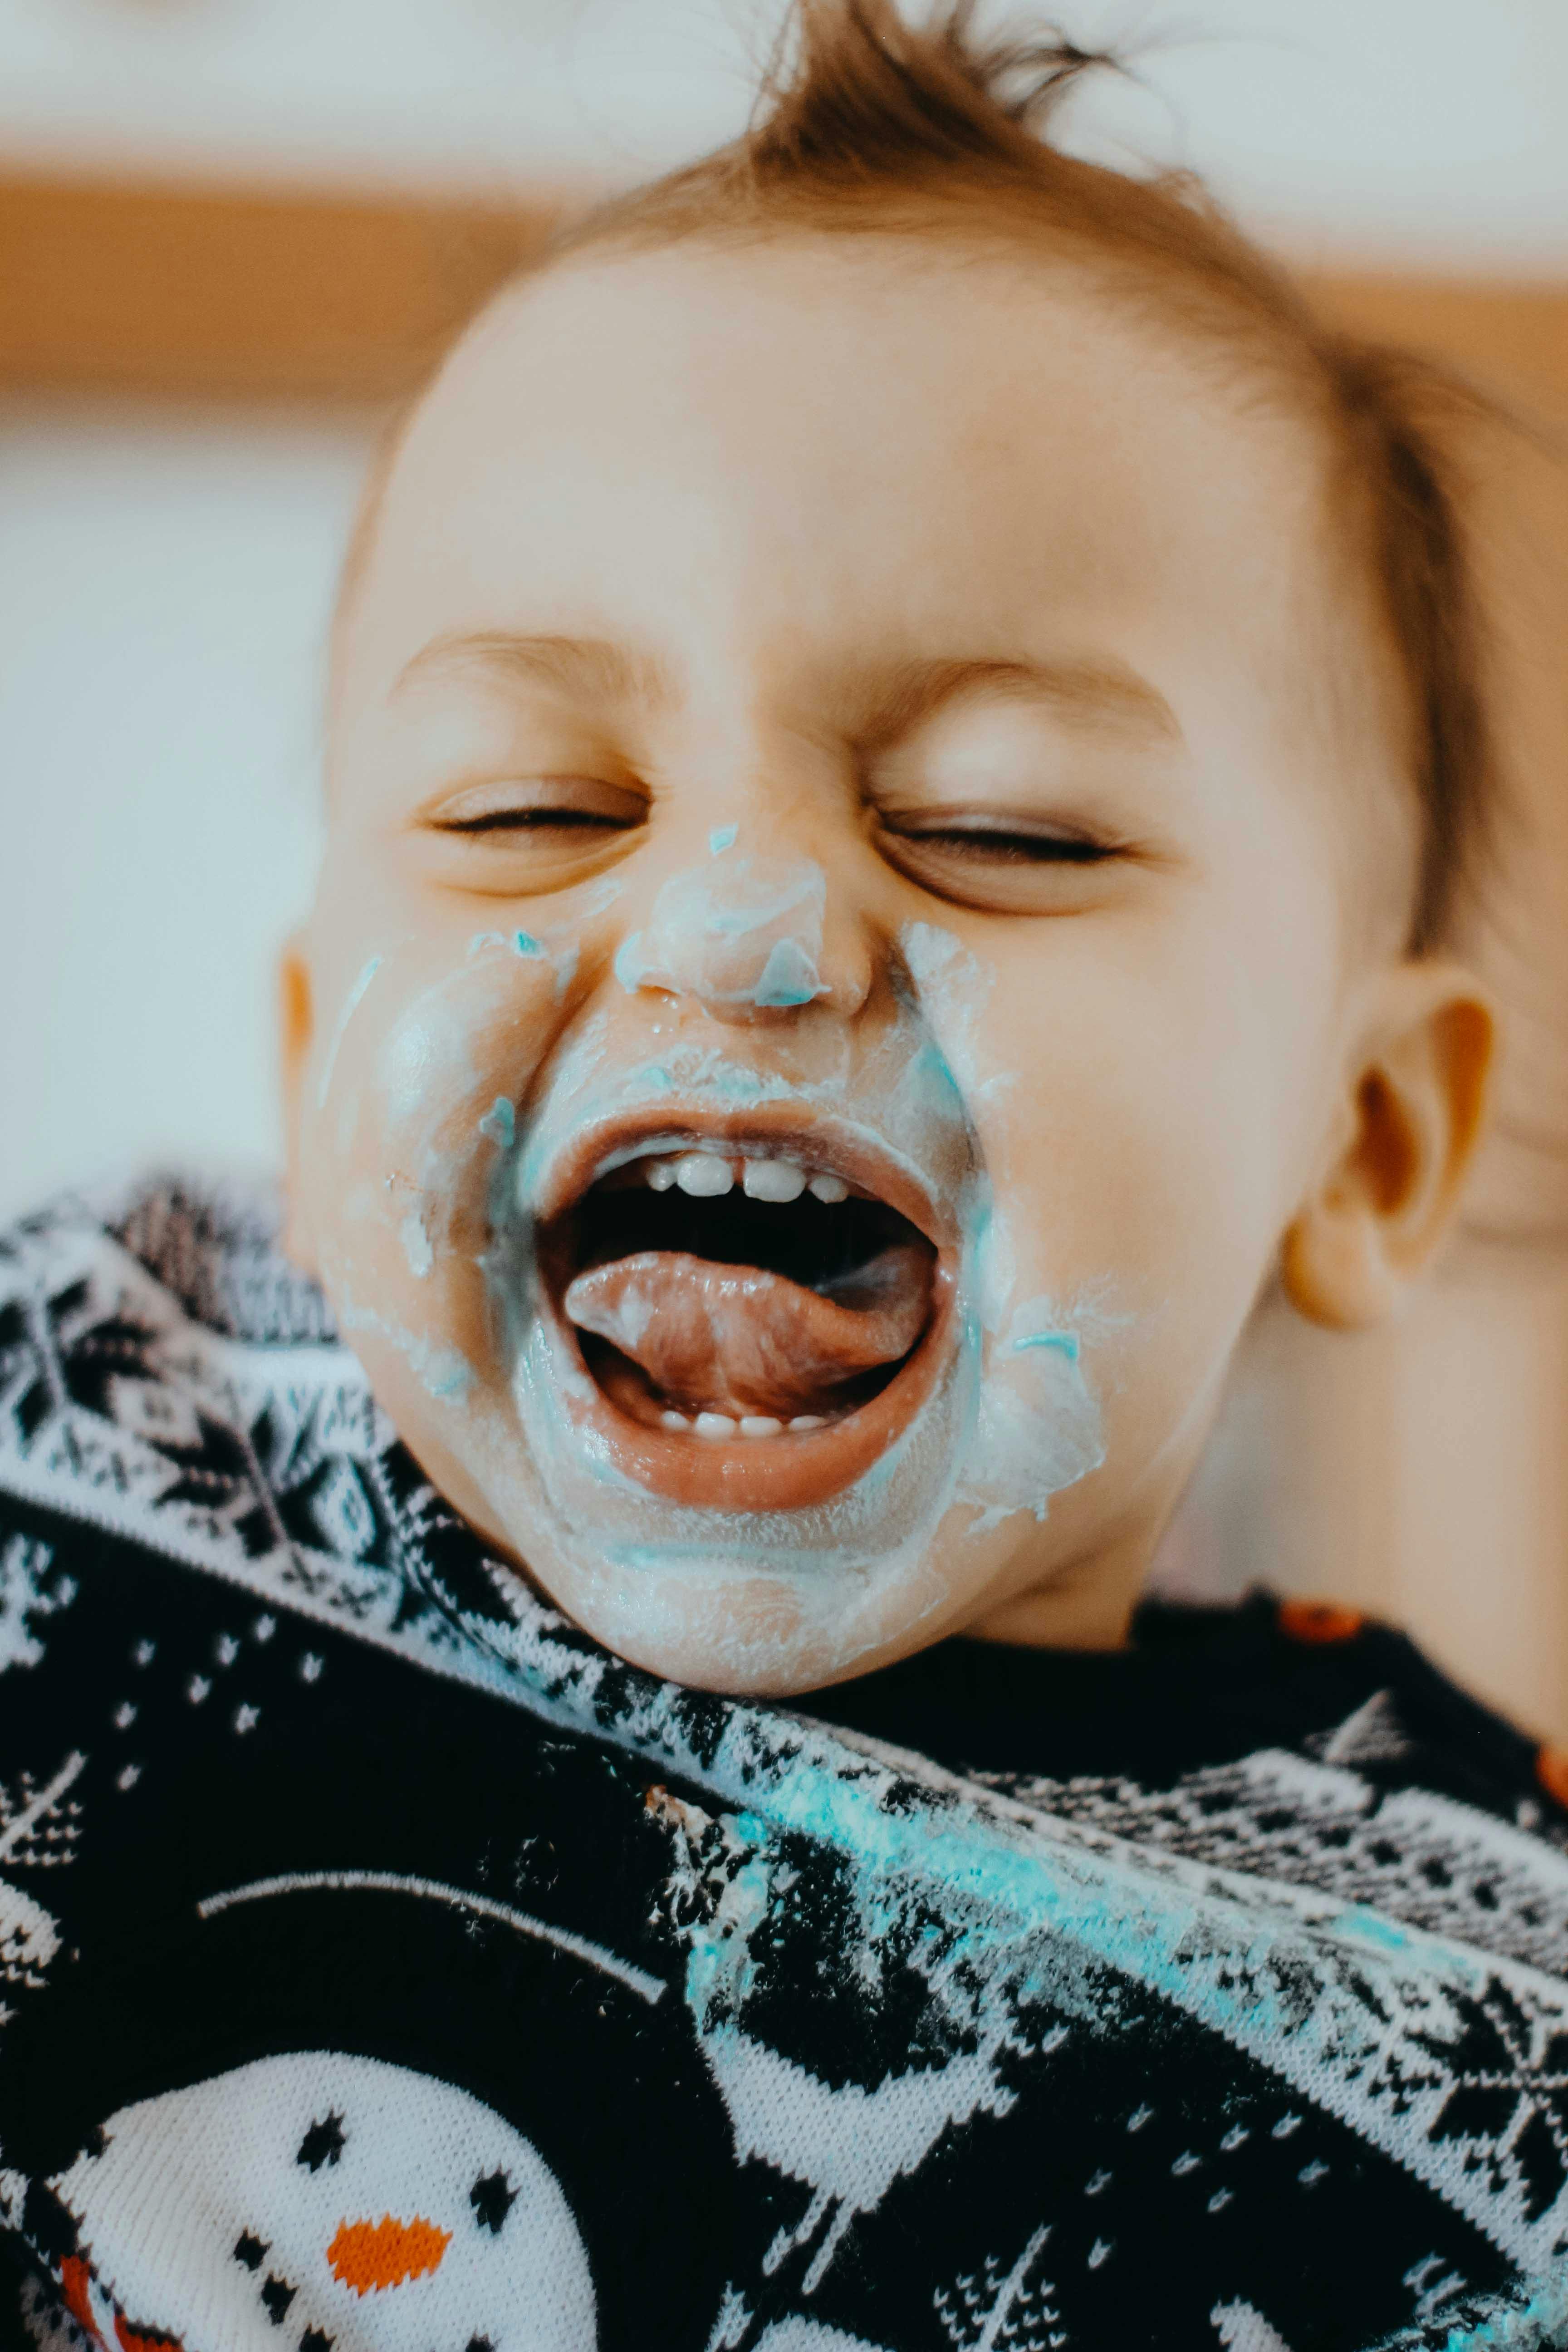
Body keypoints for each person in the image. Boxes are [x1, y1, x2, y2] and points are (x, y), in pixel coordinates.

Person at [2, 5, 1565, 2346]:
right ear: (318, 1068)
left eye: (1002, 826)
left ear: (1363, 1139)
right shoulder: (94, 1405)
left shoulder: (1457, 2025)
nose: (741, 924)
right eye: (534, 802)